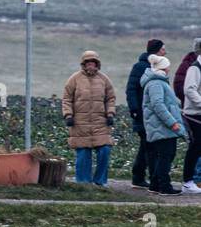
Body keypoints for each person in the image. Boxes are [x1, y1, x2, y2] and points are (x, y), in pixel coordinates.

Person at [62, 50, 115, 187]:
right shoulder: (74, 79)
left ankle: (100, 181)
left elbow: (110, 98)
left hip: (100, 123)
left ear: (97, 64)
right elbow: (67, 99)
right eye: (88, 63)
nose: (91, 65)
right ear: (84, 64)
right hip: (80, 123)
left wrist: (110, 113)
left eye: (93, 63)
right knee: (83, 153)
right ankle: (83, 183)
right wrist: (68, 115)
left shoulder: (104, 80)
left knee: (105, 150)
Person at [141, 54, 184, 196]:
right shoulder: (156, 83)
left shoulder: (158, 82)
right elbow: (158, 105)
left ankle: (155, 185)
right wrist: (173, 123)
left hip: (160, 127)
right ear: (163, 68)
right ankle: (164, 186)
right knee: (166, 156)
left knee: (163, 156)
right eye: (167, 67)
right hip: (163, 127)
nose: (169, 69)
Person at [126, 39, 165, 189]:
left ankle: (139, 176)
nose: (165, 52)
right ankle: (149, 179)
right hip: (143, 114)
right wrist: (135, 110)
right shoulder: (141, 67)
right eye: (162, 50)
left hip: (150, 114)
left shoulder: (155, 67)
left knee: (146, 147)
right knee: (149, 147)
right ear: (156, 51)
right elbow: (131, 89)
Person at [183, 48, 201, 194]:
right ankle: (188, 181)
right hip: (194, 115)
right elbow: (189, 90)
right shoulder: (195, 68)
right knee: (195, 147)